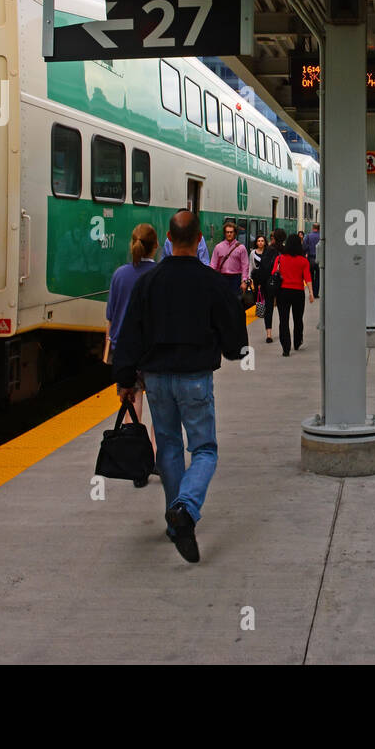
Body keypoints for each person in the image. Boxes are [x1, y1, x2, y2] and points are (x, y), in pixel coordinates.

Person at [113, 210, 248, 563]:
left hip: (156, 378)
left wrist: (125, 379)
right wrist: (232, 349)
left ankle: (176, 524)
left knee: (169, 447)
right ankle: (185, 509)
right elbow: (235, 338)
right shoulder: (212, 282)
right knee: (203, 449)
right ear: (200, 239)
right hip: (194, 377)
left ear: (169, 240)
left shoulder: (149, 282)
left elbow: (128, 333)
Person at [105, 223, 158, 488]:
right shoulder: (160, 274)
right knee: (161, 407)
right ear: (156, 245)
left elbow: (111, 316)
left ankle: (137, 466)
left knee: (132, 404)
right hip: (155, 351)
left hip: (126, 351)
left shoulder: (120, 275)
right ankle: (159, 459)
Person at [271, 232, 313, 356]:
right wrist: (310, 292)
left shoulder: (279, 259)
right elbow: (308, 277)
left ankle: (286, 348)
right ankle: (297, 341)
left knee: (283, 320)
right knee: (298, 319)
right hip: (298, 293)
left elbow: (274, 273)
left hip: (283, 292)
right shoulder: (303, 261)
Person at [252, 228, 284, 344]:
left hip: (269, 283)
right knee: (283, 310)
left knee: (269, 308)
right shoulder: (286, 250)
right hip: (283, 284)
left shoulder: (269, 250)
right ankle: (283, 332)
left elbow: (263, 269)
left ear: (274, 238)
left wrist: (260, 283)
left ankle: (269, 334)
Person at [211, 220, 250, 299]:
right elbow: (213, 265)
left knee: (235, 302)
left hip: (236, 279)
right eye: (227, 232)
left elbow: (245, 265)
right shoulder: (218, 247)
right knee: (222, 301)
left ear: (235, 233)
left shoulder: (241, 248)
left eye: (231, 232)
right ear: (224, 233)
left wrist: (244, 281)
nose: (229, 234)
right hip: (222, 277)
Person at [303, 222, 321, 298]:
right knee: (318, 276)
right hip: (320, 259)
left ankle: (311, 292)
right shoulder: (321, 236)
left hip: (310, 259)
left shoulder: (308, 236)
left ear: (312, 228)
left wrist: (307, 252)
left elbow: (304, 247)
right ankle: (316, 293)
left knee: (310, 276)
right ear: (319, 228)